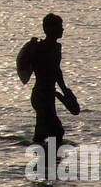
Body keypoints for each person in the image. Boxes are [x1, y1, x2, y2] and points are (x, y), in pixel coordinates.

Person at [22, 13, 79, 152]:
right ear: (49, 29)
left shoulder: (53, 47)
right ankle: (48, 165)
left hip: (47, 94)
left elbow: (56, 71)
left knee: (43, 132)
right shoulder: (45, 48)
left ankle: (44, 164)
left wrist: (63, 91)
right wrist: (64, 91)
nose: (63, 29)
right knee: (55, 131)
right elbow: (54, 71)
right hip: (42, 95)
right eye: (59, 26)